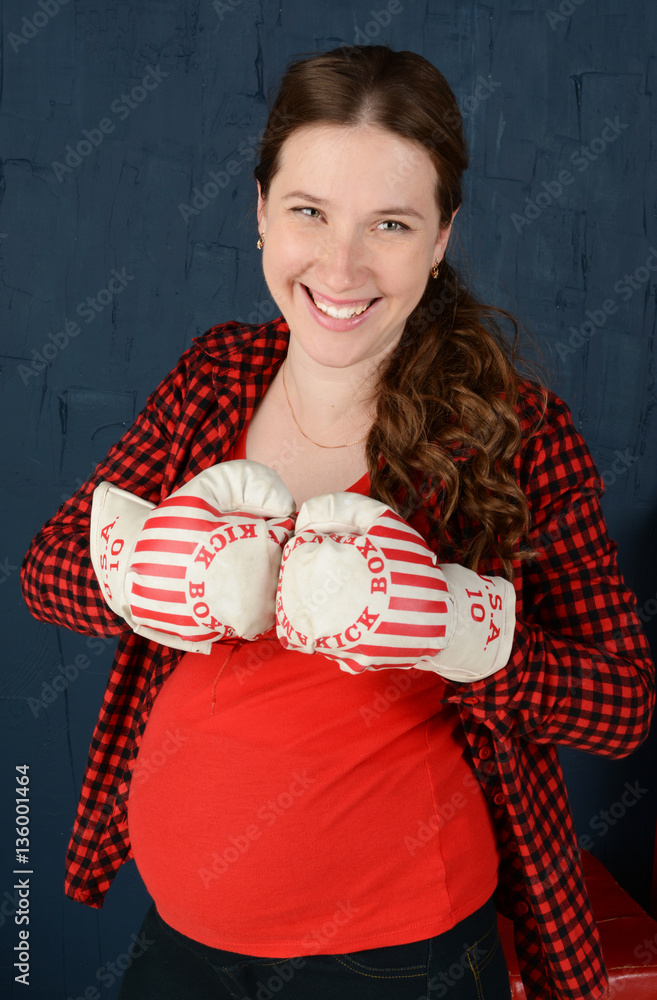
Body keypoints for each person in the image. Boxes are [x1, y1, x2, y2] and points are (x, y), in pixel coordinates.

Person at [20, 44, 654, 1000]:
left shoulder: (511, 430)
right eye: (308, 211)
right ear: (260, 211)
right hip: (182, 934)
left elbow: (622, 704)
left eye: (389, 223)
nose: (341, 265)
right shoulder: (214, 375)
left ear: (440, 236)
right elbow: (47, 571)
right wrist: (155, 568)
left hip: (399, 959)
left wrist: (458, 629)